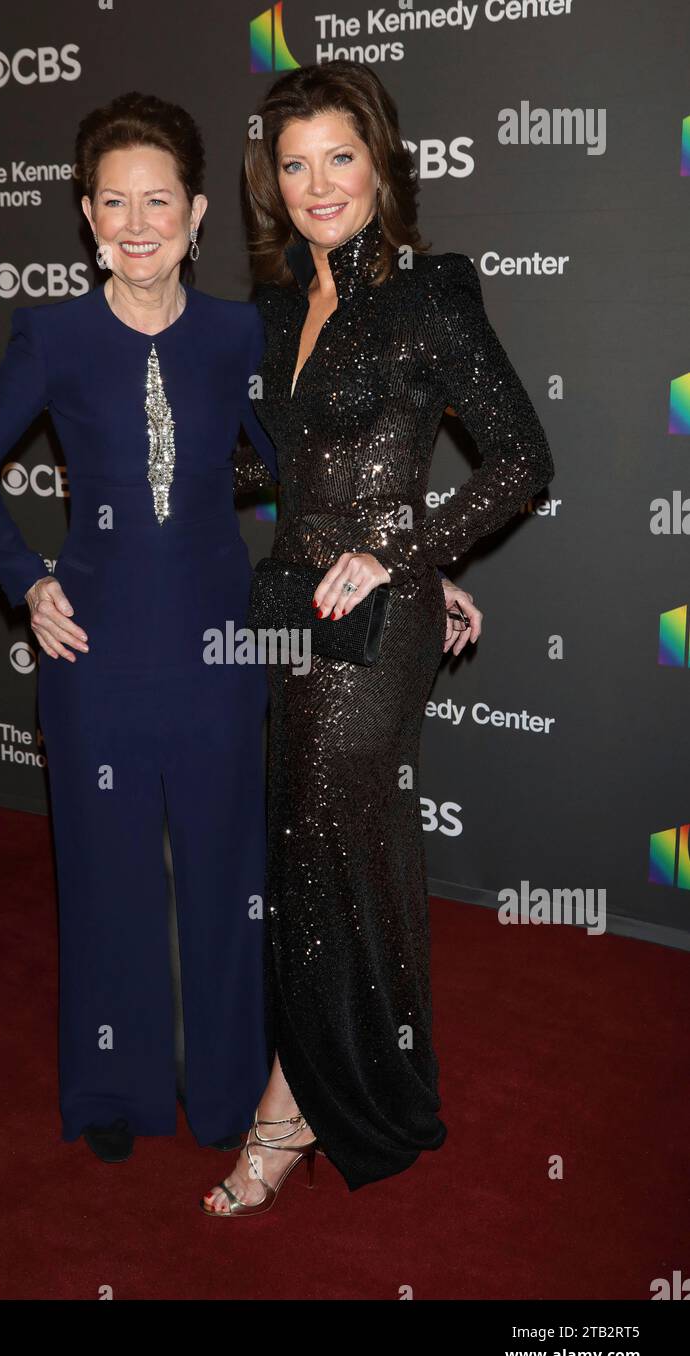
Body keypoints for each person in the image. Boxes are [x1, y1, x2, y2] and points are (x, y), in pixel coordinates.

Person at [201, 60, 553, 1214]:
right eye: (292, 165)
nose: (316, 184)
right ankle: (374, 1072)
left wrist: (408, 551)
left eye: (337, 158)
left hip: (375, 608)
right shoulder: (266, 308)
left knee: (322, 846)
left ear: (380, 163)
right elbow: (270, 464)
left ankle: (291, 1107)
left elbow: (517, 457)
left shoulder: (428, 289)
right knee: (318, 846)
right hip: (283, 604)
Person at [0, 92, 280, 1163]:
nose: (137, 225)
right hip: (92, 655)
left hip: (218, 649)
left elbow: (302, 473)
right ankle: (110, 1090)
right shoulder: (53, 333)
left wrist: (404, 564)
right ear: (87, 216)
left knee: (229, 873)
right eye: (114, 203)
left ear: (194, 215)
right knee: (104, 871)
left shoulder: (238, 333)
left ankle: (228, 1093)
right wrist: (27, 582)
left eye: (159, 202)